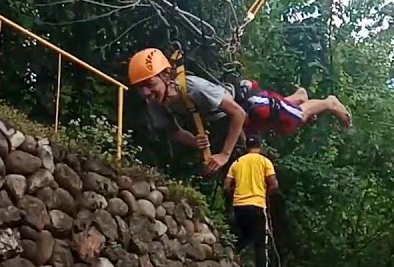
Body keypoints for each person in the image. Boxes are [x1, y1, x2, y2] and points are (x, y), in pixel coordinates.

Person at [127, 48, 351, 174]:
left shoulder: (193, 87)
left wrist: (223, 154)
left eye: (150, 84)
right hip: (230, 114)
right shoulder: (156, 103)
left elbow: (238, 113)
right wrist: (195, 142)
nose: (147, 93)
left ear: (166, 76)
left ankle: (328, 103)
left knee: (293, 119)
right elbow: (173, 131)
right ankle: (297, 97)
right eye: (141, 89)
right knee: (272, 127)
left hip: (244, 102)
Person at [224, 134, 278, 267]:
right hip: (257, 205)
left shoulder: (237, 163)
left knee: (243, 237)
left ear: (246, 147)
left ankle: (229, 259)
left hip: (239, 206)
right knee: (260, 243)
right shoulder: (264, 161)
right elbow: (274, 184)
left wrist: (237, 192)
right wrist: (265, 192)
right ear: (259, 147)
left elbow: (226, 186)